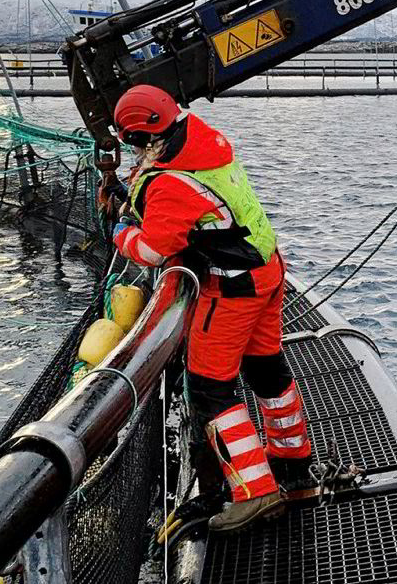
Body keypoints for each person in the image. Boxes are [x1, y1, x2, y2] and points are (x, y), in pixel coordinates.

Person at [108, 84, 313, 532]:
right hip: (267, 270)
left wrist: (120, 232)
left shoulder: (168, 183)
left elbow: (154, 250)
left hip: (231, 287)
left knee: (209, 390)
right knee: (266, 369)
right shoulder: (203, 144)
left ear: (138, 138)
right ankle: (294, 467)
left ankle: (254, 492)